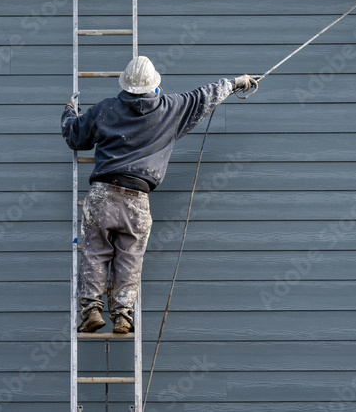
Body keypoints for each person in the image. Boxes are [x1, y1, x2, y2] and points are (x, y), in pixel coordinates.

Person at [62, 55, 255, 334]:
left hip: (102, 194)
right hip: (137, 199)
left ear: (125, 85)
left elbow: (75, 136)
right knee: (130, 258)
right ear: (154, 85)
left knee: (94, 252)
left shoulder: (105, 109)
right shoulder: (170, 109)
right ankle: (122, 315)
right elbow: (204, 96)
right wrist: (235, 83)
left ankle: (91, 310)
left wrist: (69, 110)